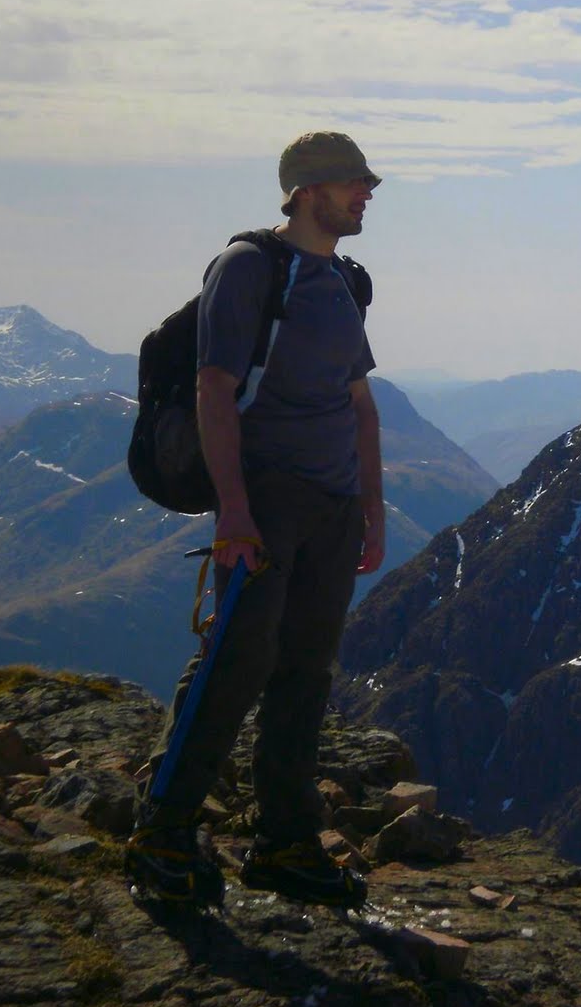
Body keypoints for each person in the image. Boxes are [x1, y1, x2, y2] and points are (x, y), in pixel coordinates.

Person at [125, 131, 386, 907]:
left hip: (332, 506)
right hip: (269, 497)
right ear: (308, 191)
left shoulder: (344, 279)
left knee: (305, 673)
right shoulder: (249, 268)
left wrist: (371, 510)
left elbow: (358, 402)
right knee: (238, 659)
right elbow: (214, 386)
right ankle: (162, 832)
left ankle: (286, 843)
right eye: (352, 185)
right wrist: (234, 510)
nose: (366, 194)